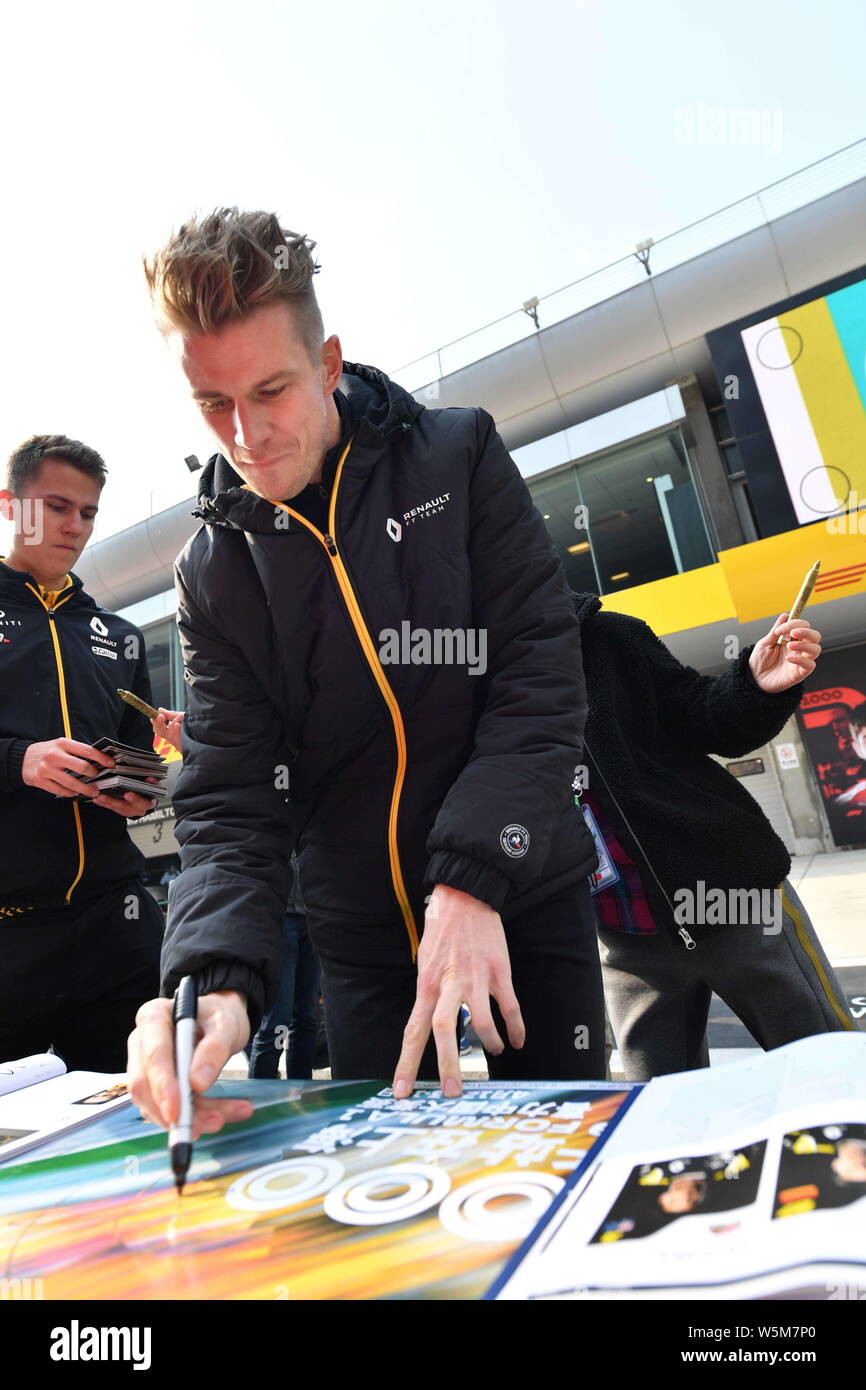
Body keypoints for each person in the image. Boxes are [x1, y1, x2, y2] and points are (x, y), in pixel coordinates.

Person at [128, 207, 604, 1140]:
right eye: (213, 405)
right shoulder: (211, 573)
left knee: (560, 1163)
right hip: (364, 943)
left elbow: (539, 678)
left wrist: (470, 879)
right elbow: (229, 800)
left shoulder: (458, 454)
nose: (248, 434)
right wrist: (212, 980)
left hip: (517, 898)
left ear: (330, 362)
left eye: (272, 390)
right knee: (393, 1219)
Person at [571, 590, 858, 1081]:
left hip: (732, 896)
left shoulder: (608, 636)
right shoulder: (470, 682)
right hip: (622, 938)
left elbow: (700, 716)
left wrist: (755, 685)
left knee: (832, 1069)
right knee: (662, 1111)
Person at [0, 435, 165, 1071]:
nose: (76, 526)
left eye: (89, 512)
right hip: (9, 932)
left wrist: (135, 795)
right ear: (12, 506)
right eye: (58, 506)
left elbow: (137, 755)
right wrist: (17, 759)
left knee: (129, 1134)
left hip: (113, 928)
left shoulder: (119, 637)